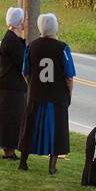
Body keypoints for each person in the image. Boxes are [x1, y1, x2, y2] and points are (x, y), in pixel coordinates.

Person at [18, 13, 75, 175]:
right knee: (57, 129)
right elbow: (69, 76)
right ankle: (52, 165)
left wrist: (32, 85)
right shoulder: (63, 48)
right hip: (57, 96)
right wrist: (69, 94)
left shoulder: (31, 46)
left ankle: (23, 161)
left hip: (36, 94)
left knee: (29, 127)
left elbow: (25, 71)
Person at [0, 7, 29, 161]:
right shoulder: (11, 40)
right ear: (19, 22)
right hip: (9, 88)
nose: (26, 22)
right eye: (24, 19)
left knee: (14, 120)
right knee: (9, 121)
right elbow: (23, 63)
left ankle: (11, 150)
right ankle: (8, 151)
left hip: (12, 87)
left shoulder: (13, 39)